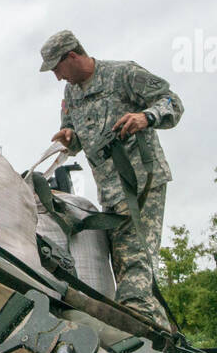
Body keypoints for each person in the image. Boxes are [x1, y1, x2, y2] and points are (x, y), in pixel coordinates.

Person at [40, 29, 183, 329]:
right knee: (127, 274)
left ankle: (142, 346)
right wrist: (69, 138)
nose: (57, 77)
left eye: (57, 68)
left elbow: (172, 102)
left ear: (73, 56)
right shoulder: (70, 94)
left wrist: (145, 117)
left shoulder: (123, 74)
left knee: (134, 274)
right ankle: (165, 341)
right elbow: (74, 133)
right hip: (110, 195)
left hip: (142, 186)